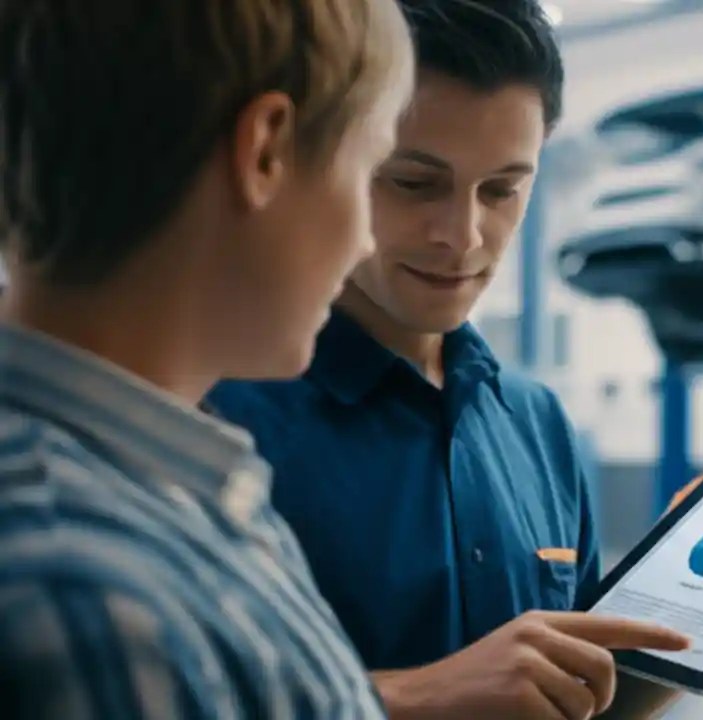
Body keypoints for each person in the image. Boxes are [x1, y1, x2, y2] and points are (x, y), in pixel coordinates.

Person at [208, 1, 703, 718]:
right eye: (414, 182)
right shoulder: (215, 411)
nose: (464, 235)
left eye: (502, 190)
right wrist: (415, 698)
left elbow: (579, 704)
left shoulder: (537, 426)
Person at [1, 0, 418, 715]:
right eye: (370, 168)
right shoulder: (95, 600)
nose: (367, 244)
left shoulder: (172, 491)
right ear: (265, 151)